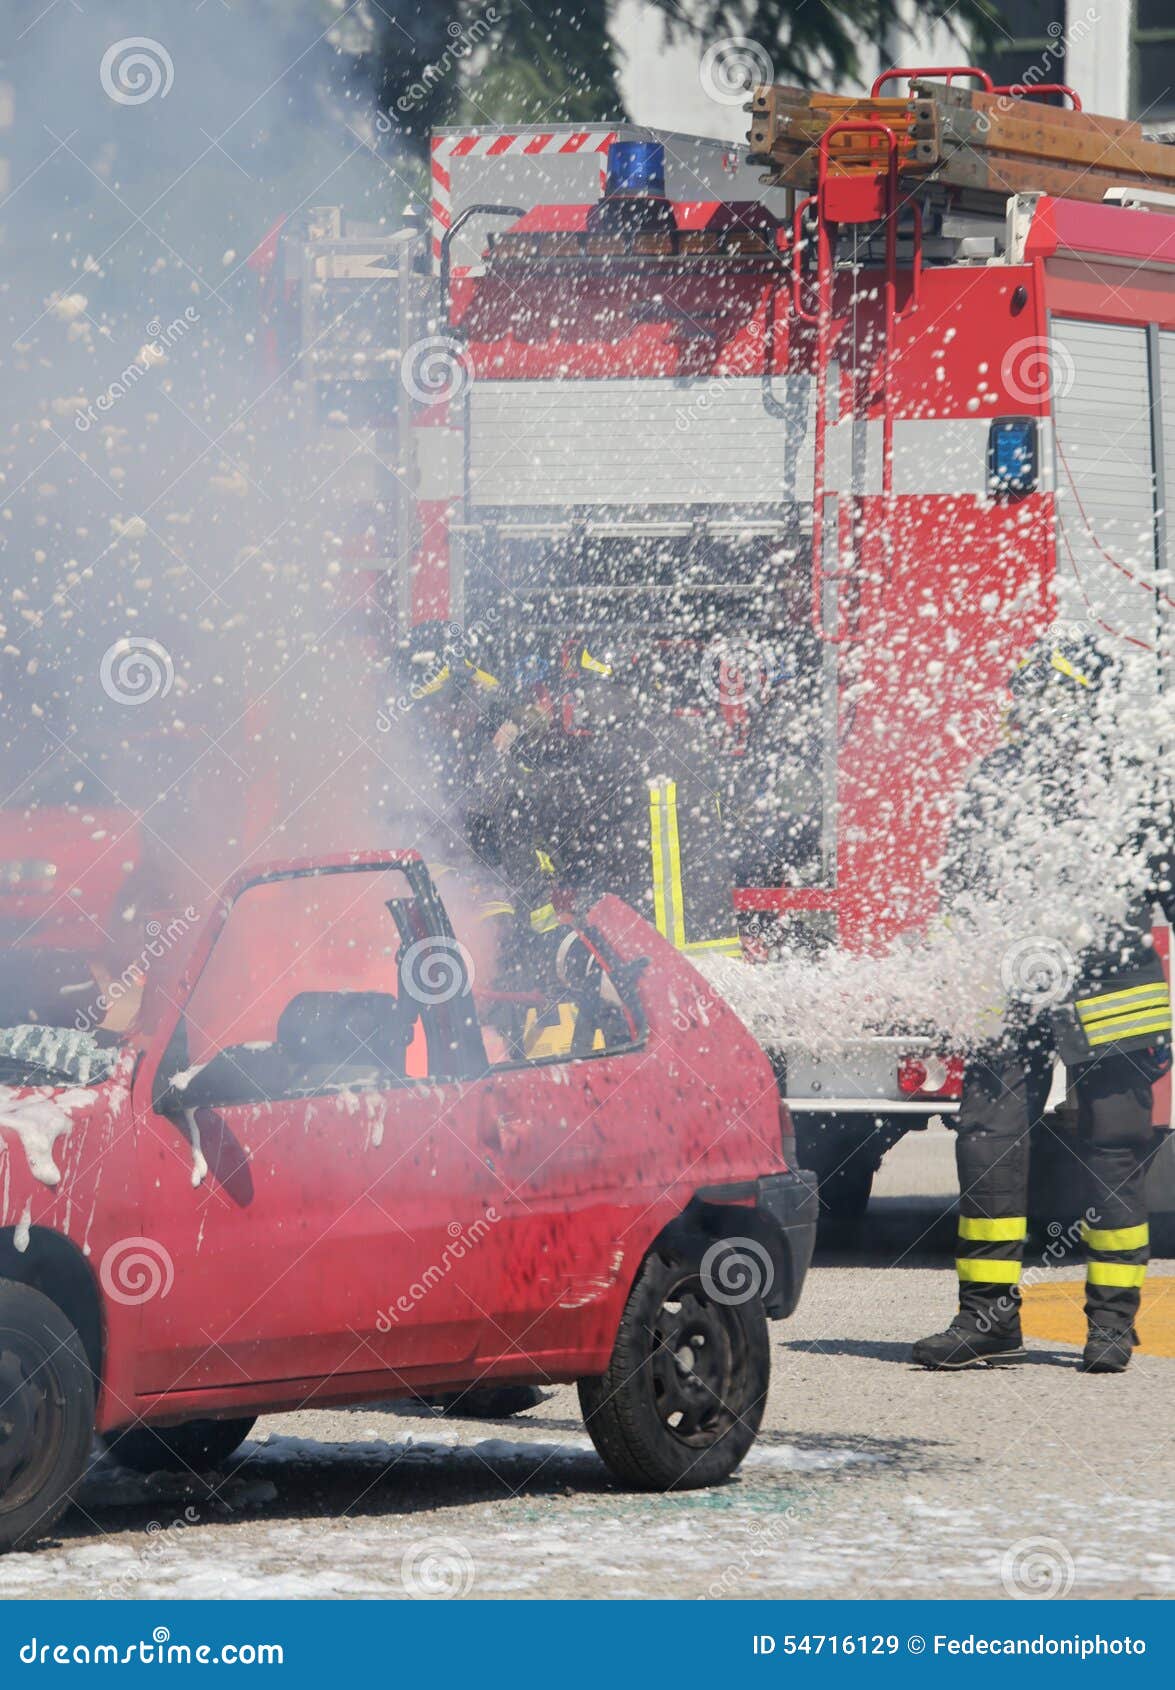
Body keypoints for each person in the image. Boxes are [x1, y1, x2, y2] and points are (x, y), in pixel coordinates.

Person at [913, 636, 1174, 1374]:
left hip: (1114, 993)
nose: (1025, 713)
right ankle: (986, 1319)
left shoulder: (1136, 785)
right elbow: (960, 892)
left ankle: (1112, 1327)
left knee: (1115, 1151)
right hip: (1014, 983)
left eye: (1039, 698)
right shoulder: (999, 776)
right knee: (988, 1143)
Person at [472, 640, 740, 962]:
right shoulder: (688, 740)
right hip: (714, 948)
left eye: (586, 691)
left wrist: (507, 753)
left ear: (611, 691)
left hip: (654, 954)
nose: (580, 702)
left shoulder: (615, 752)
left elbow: (551, 807)